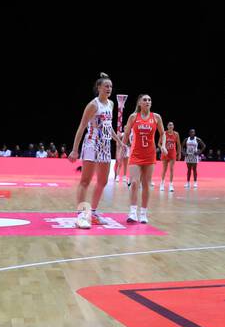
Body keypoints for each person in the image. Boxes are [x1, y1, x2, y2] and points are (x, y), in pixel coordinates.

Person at [68, 73, 117, 229]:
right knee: (85, 181)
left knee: (103, 181)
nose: (109, 88)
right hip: (92, 144)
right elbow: (82, 126)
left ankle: (93, 214)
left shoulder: (111, 104)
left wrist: (119, 141)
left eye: (111, 86)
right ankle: (81, 215)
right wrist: (75, 150)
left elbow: (108, 127)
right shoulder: (93, 105)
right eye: (106, 86)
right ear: (99, 87)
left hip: (105, 146)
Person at [121, 95, 165, 224]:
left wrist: (162, 145)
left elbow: (162, 133)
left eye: (149, 100)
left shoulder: (156, 117)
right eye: (145, 100)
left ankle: (143, 213)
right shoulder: (133, 117)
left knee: (146, 184)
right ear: (139, 103)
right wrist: (122, 148)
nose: (147, 101)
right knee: (134, 183)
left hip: (150, 155)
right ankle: (132, 212)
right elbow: (126, 134)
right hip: (135, 154)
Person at [159, 122, 180, 192]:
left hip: (172, 154)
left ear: (173, 126)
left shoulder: (176, 134)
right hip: (165, 154)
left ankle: (171, 185)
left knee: (171, 169)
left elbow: (178, 145)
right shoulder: (164, 134)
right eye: (169, 125)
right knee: (164, 169)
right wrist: (162, 148)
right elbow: (159, 143)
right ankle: (162, 184)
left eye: (172, 125)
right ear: (167, 126)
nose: (171, 126)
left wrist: (179, 153)